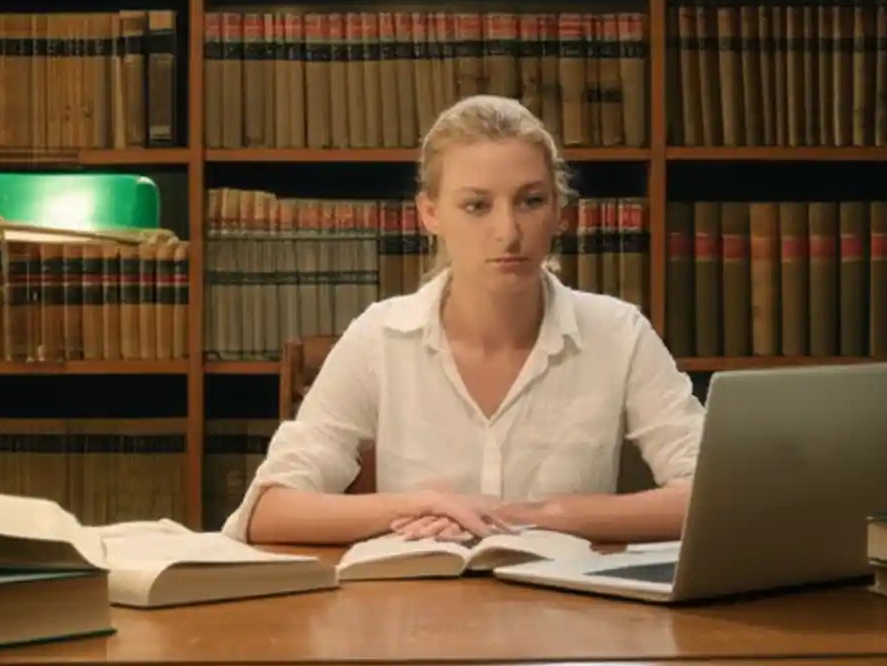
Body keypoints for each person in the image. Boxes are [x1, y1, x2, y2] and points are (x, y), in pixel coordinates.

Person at [220, 94, 705, 547]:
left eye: (531, 201)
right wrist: (421, 505)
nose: (508, 232)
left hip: (562, 607)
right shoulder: (380, 337)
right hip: (416, 605)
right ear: (430, 214)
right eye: (477, 206)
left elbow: (714, 494)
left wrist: (545, 514)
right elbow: (267, 511)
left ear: (559, 211)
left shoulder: (618, 333)